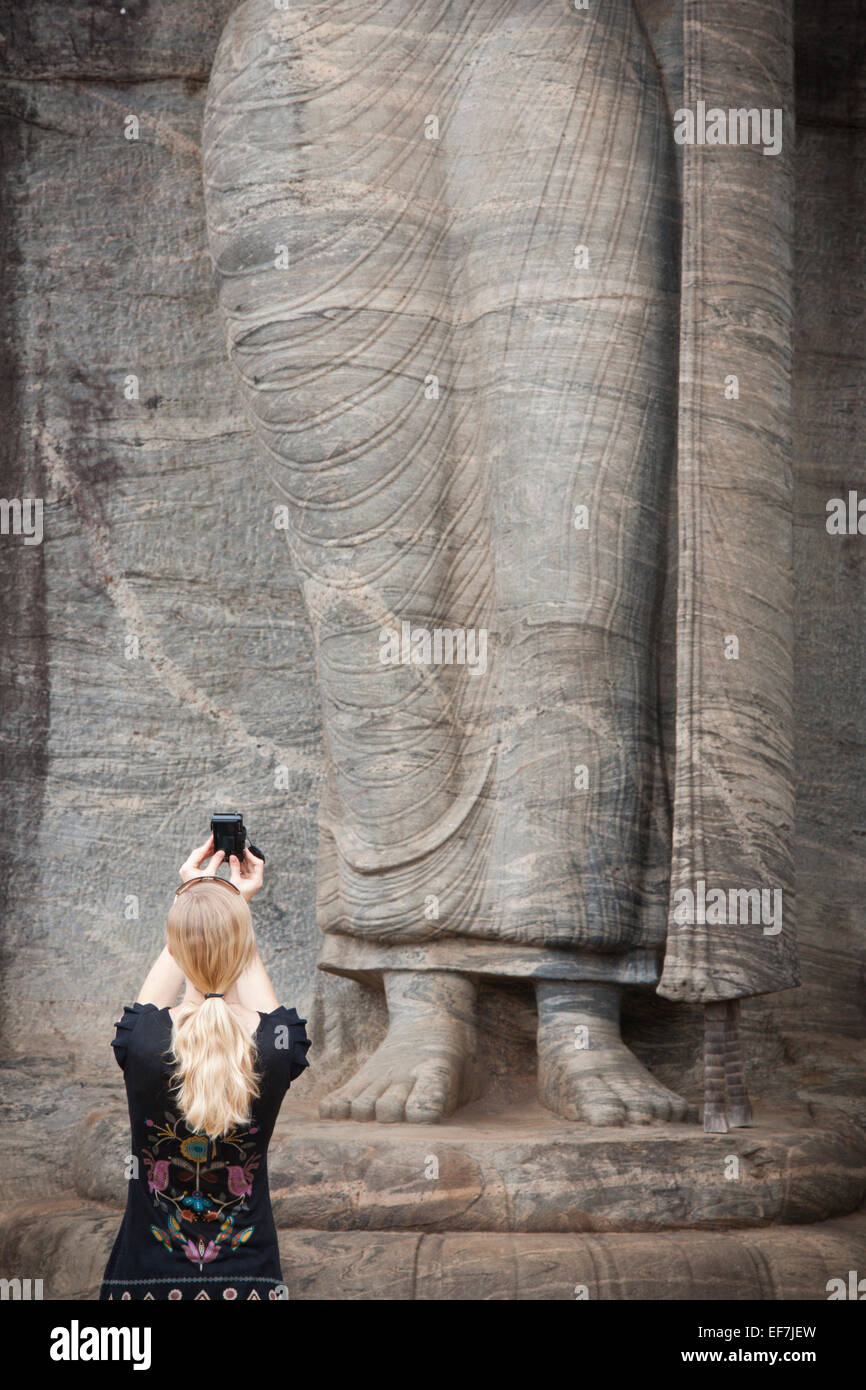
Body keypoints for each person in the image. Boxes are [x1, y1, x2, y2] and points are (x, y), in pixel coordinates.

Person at [99, 837, 310, 1301]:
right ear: (243, 945)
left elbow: (164, 980)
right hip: (248, 1281)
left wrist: (194, 901)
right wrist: (234, 908)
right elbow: (274, 1018)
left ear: (176, 945)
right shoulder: (279, 1046)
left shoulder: (141, 1040)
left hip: (144, 1283)